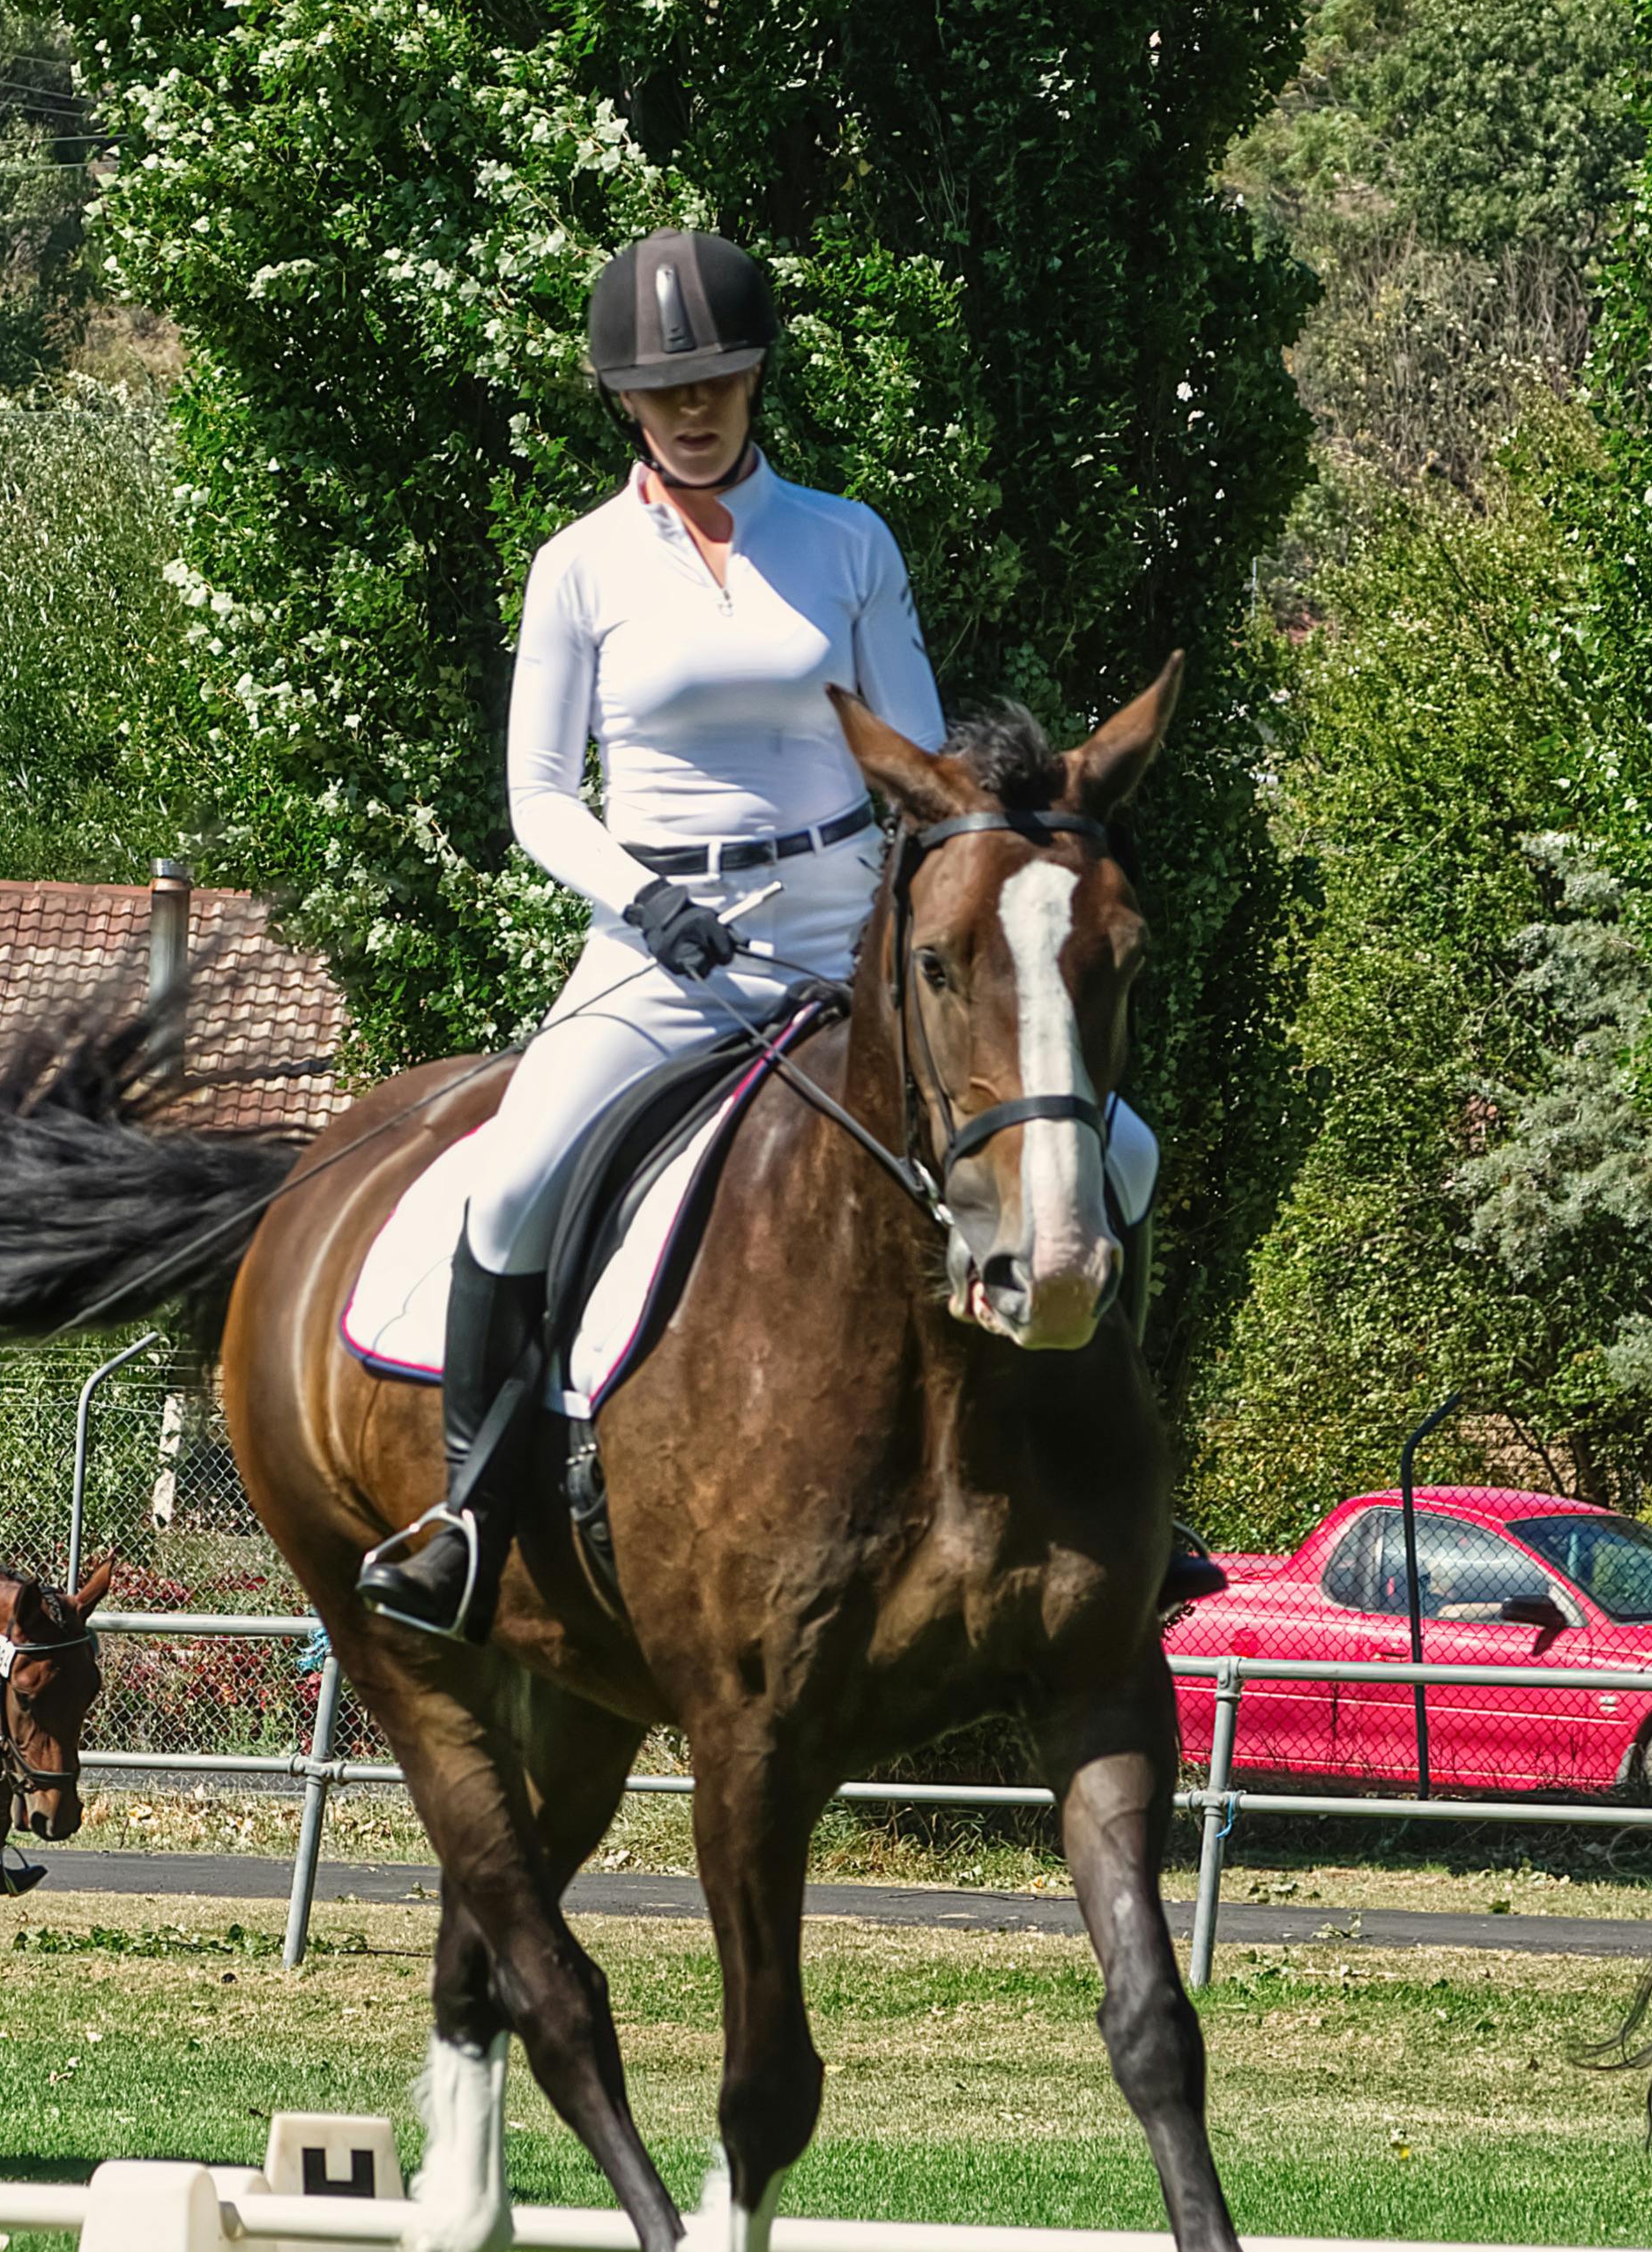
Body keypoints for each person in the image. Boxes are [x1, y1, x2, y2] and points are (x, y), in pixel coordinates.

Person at [353, 224, 1166, 1638]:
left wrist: (927, 902)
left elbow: (920, 763)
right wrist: (643, 899)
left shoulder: (844, 540)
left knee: (1120, 1150)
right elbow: (536, 794)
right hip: (653, 937)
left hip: (846, 927)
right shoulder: (580, 565)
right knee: (515, 1179)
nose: (694, 403)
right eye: (666, 387)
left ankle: (1099, 1463)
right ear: (623, 399)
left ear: (754, 377)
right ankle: (471, 1517)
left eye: (719, 375)